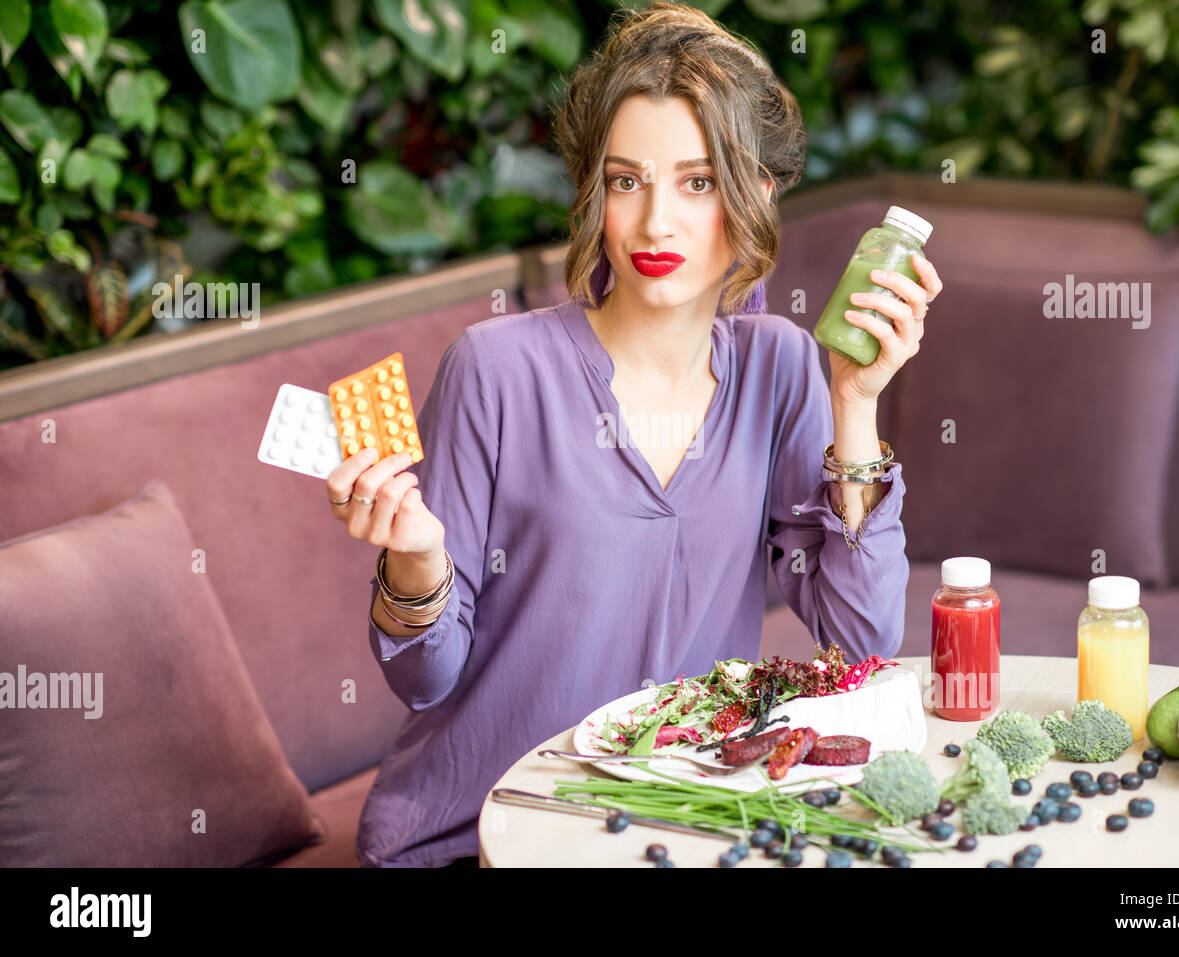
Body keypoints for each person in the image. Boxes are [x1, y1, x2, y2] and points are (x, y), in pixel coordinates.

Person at [327, 2, 943, 868]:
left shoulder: (779, 367)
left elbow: (861, 642)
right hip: (474, 836)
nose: (656, 223)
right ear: (595, 193)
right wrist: (418, 559)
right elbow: (424, 677)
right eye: (626, 181)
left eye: (698, 182)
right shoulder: (496, 370)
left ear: (756, 194)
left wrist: (855, 401)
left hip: (668, 831)